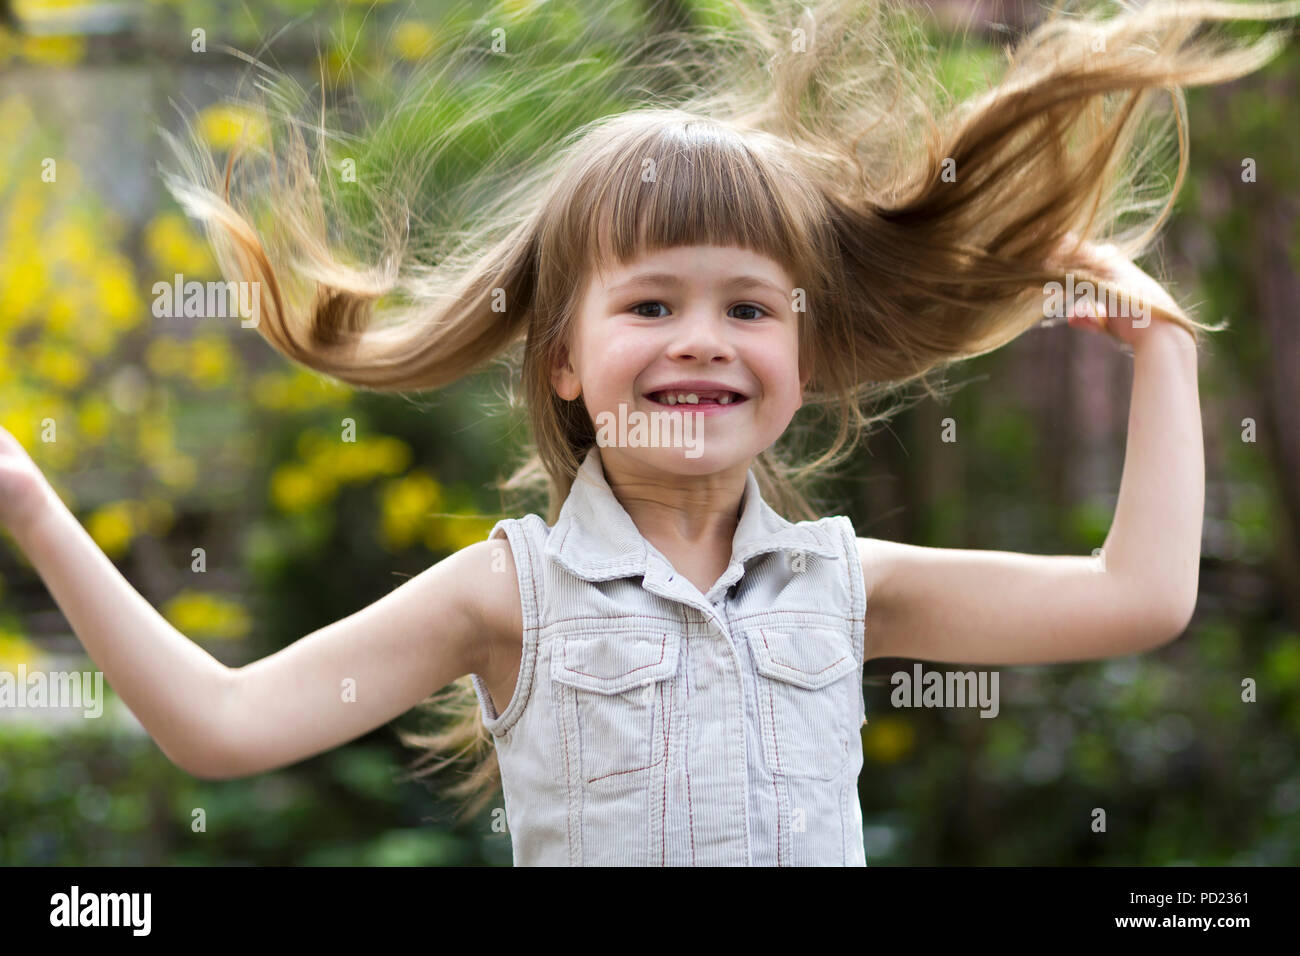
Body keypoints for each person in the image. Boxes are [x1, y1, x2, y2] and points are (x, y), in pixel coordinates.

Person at [2, 0, 1294, 865]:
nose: (702, 338)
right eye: (652, 303)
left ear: (799, 353)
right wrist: (31, 511)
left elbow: (1137, 598)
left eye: (748, 305)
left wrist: (1166, 352)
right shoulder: (507, 595)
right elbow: (219, 728)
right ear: (564, 359)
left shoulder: (848, 584)